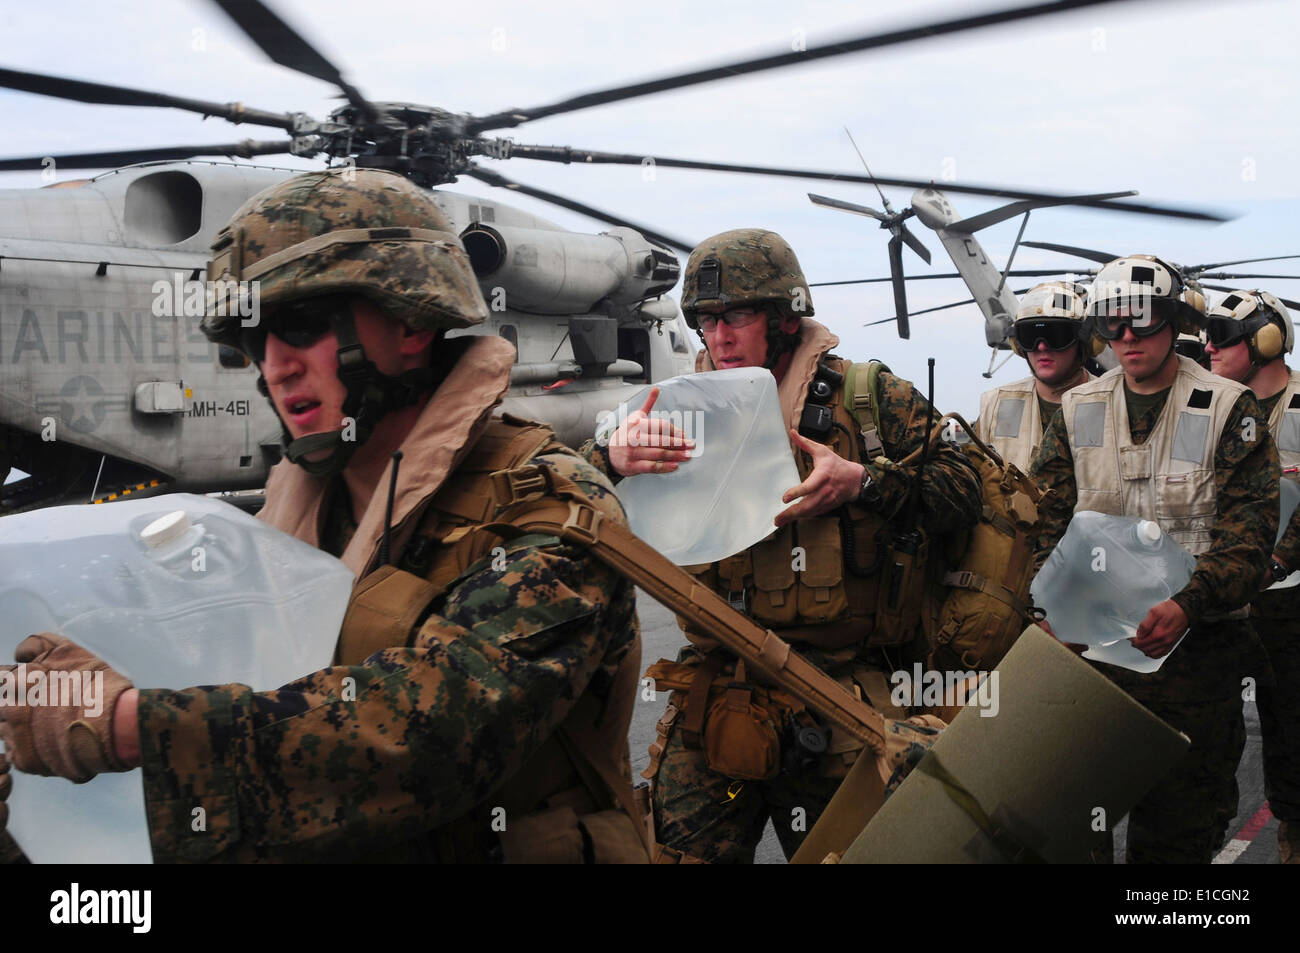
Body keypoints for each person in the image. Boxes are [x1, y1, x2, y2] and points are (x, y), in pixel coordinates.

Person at [0, 169, 646, 863]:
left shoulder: (547, 505)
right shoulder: (292, 517)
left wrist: (131, 726)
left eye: (302, 326)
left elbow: (435, 736)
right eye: (253, 340)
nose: (276, 365)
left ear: (410, 322)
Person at [585, 228, 982, 863]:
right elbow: (564, 498)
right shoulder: (674, 410)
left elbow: (965, 492)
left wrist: (865, 483)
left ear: (784, 318)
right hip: (717, 694)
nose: (720, 337)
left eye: (737, 315)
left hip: (842, 699)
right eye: (707, 320)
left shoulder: (870, 398)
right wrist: (608, 456)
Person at [1031, 255, 1278, 864]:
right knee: (1067, 834)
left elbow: (1251, 535)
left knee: (1176, 842)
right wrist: (1042, 613)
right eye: (1112, 326)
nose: (1127, 339)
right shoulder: (1076, 409)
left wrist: (1188, 604)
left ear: (1172, 322)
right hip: (1091, 666)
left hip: (1194, 663)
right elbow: (1042, 525)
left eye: (1141, 324)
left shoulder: (1229, 409)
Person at [1204, 288, 1300, 863]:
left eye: (1224, 336)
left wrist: (1278, 560)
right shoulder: (1215, 408)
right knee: (1212, 737)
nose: (1210, 346)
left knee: (1291, 734)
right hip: (1227, 601)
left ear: (1264, 341)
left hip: (1289, 607)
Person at [976, 281, 1098, 472]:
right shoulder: (995, 407)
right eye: (1031, 336)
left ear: (1084, 341)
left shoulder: (1112, 404)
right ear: (1018, 344)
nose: (1042, 347)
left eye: (1056, 335)